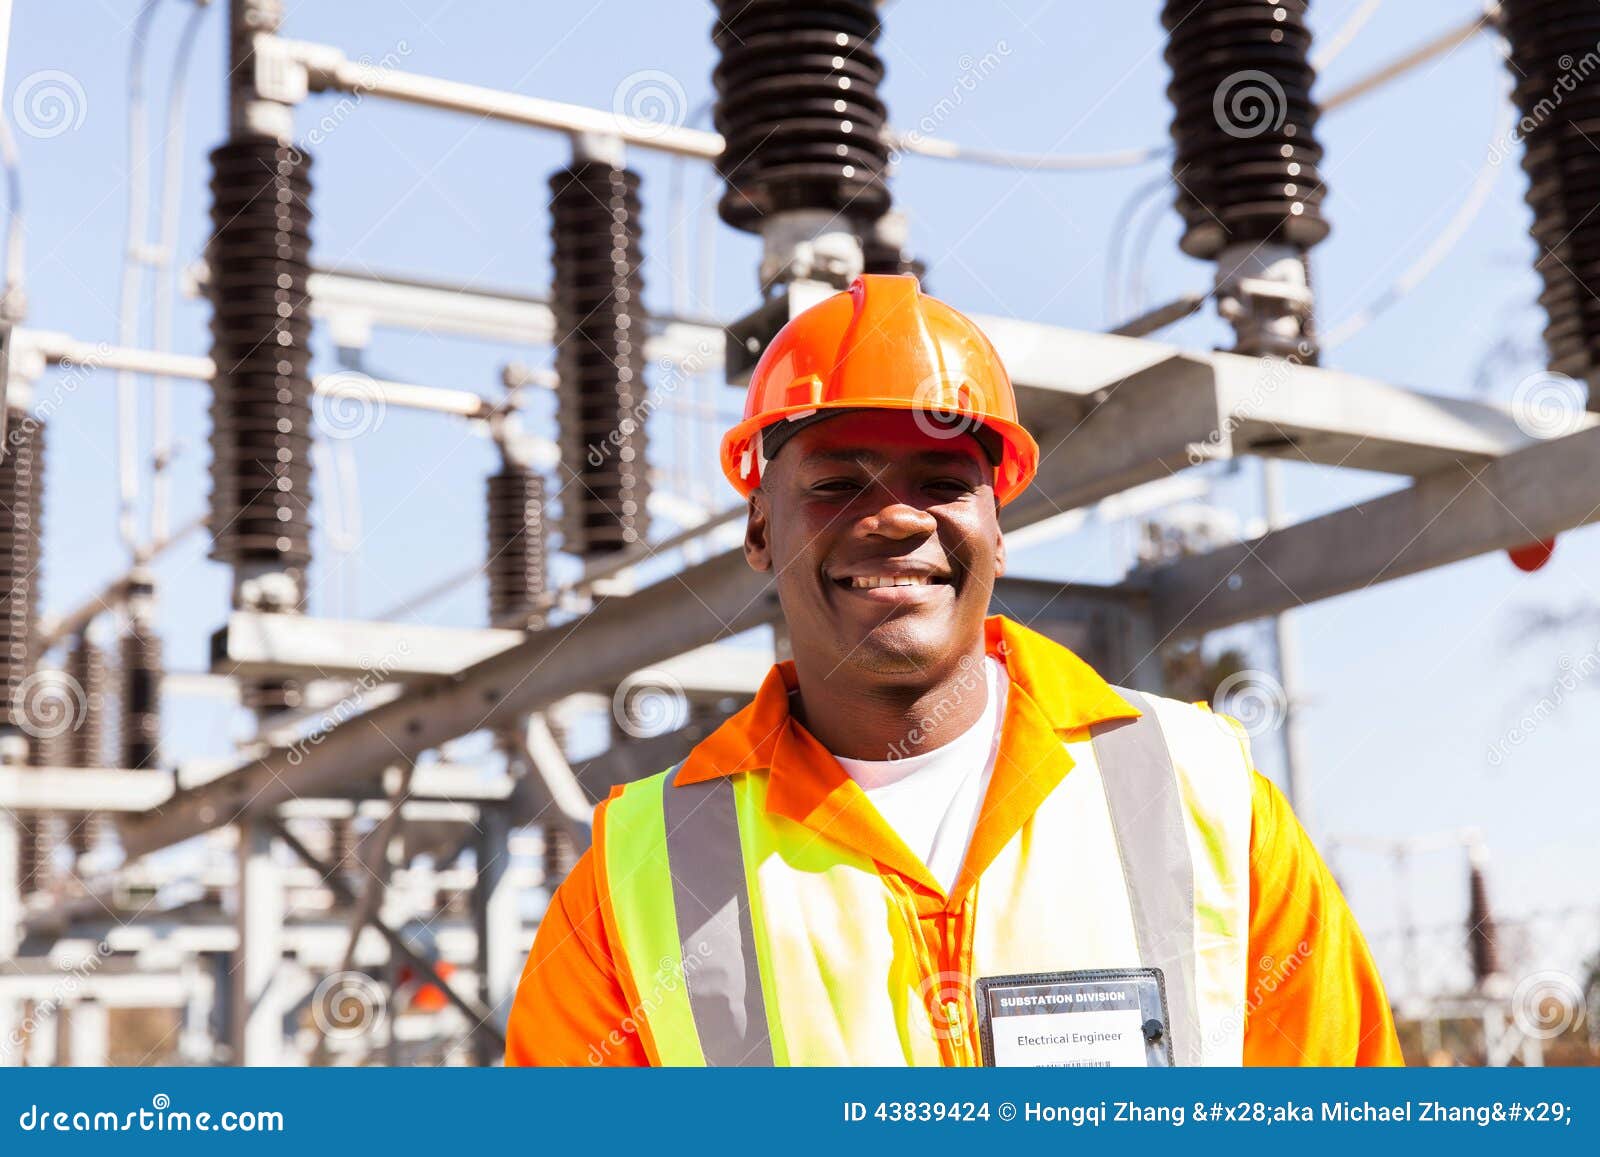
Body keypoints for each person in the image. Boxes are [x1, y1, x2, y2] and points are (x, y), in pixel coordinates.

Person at [504, 273, 1401, 1067]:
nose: (896, 519)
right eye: (834, 482)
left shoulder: (1210, 799)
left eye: (941, 481)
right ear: (759, 531)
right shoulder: (636, 882)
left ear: (996, 529)